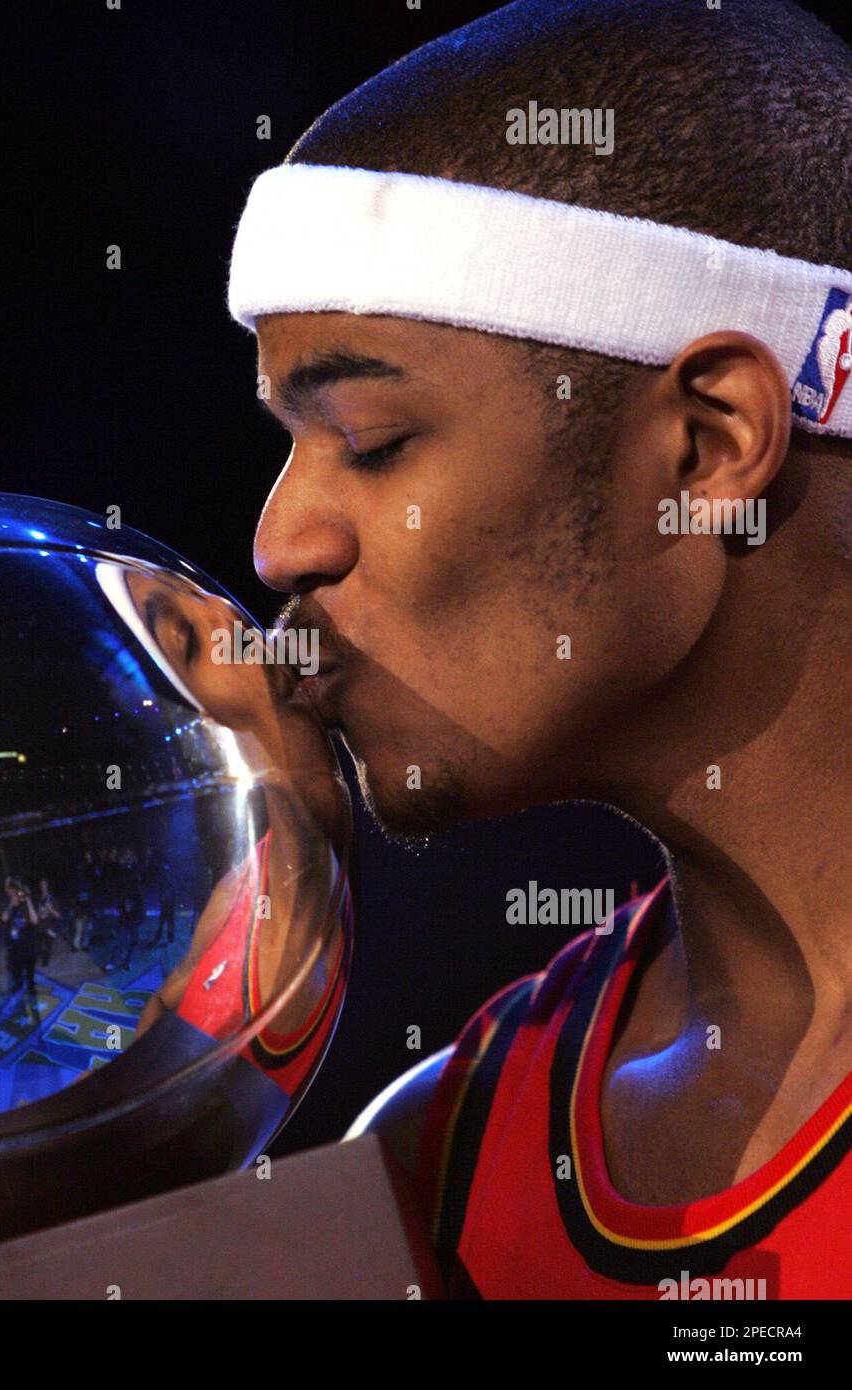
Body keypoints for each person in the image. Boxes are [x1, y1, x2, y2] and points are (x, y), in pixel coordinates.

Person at [228, 0, 852, 1298]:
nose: (279, 542)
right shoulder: (434, 1160)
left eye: (371, 440)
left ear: (704, 444)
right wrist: (206, 1047)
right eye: (285, 446)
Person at [0, 878, 40, 1000]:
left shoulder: (25, 903)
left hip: (28, 944)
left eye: (14, 889)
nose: (13, 893)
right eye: (10, 890)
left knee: (30, 971)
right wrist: (12, 904)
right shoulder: (8, 904)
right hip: (14, 946)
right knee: (16, 972)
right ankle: (18, 988)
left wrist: (27, 900)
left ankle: (31, 988)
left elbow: (35, 920)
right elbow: (4, 918)